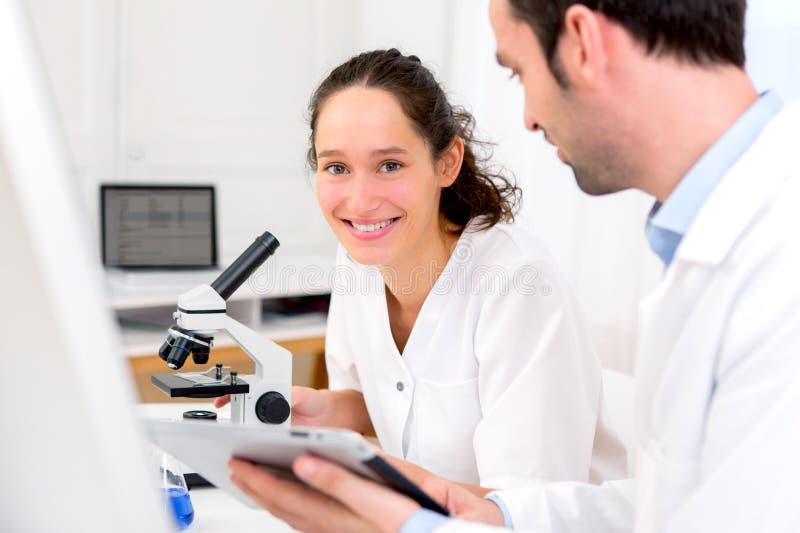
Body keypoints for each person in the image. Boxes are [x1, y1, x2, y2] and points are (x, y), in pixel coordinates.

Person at [227, 0, 800, 532]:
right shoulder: (706, 243)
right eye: (336, 167)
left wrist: (404, 519)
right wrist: (361, 443)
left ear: (582, 41)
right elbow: (659, 508)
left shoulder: (773, 265)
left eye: (518, 71)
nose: (527, 118)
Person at [223, 48, 626, 495]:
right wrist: (325, 411)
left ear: (447, 163)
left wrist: (374, 497)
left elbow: (525, 509)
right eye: (337, 167)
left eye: (390, 165)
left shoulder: (518, 285)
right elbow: (390, 402)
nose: (360, 201)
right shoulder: (358, 261)